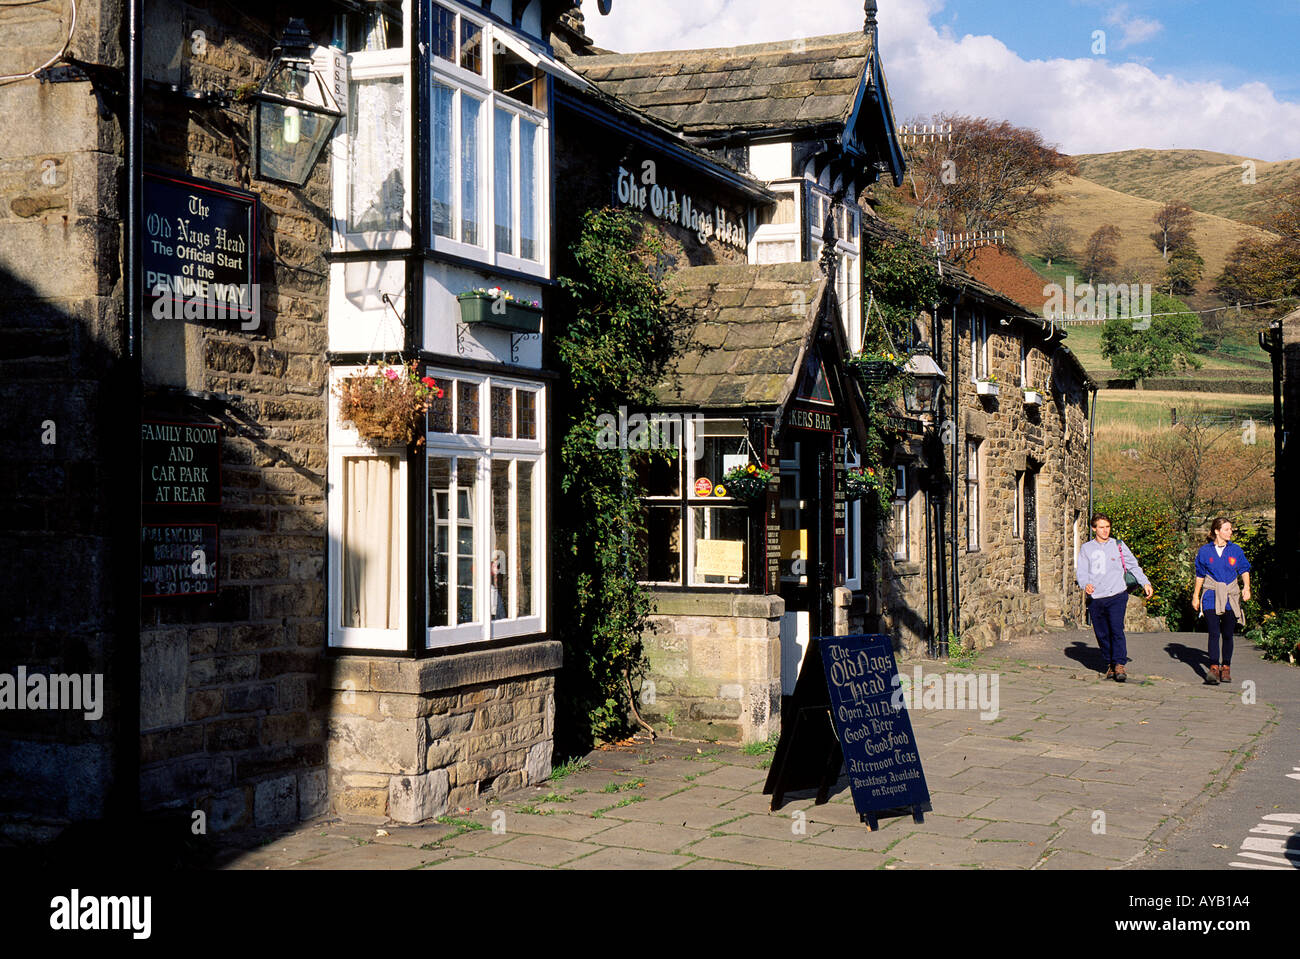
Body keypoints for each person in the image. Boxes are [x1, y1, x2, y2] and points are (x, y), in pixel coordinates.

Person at [1075, 513, 1153, 682]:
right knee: (1102, 633)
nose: (1105, 531)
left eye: (1107, 527)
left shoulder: (1118, 545)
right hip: (1096, 597)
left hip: (1117, 594)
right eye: (1101, 527)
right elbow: (1081, 571)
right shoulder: (1086, 548)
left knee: (1116, 629)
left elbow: (1133, 565)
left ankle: (1119, 664)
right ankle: (1110, 663)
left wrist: (1145, 583)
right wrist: (1085, 584)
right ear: (1094, 528)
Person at [1192, 517, 1251, 685]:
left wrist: (1246, 587)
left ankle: (1226, 667)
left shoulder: (1236, 550)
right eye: (1226, 529)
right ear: (1216, 531)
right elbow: (1200, 575)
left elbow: (1244, 569)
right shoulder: (1205, 551)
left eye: (1231, 529)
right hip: (1211, 595)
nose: (1230, 532)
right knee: (1213, 632)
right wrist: (1196, 596)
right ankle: (1213, 668)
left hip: (1230, 596)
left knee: (1227, 633)